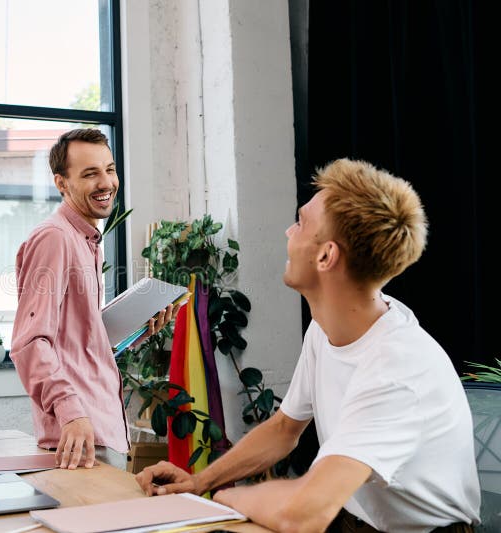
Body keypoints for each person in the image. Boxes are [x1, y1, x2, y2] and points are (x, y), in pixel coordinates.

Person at [135, 158, 480, 532]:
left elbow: (304, 514)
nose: (288, 232)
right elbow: (285, 428)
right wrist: (200, 482)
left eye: (300, 223)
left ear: (326, 255)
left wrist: (228, 497)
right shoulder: (328, 327)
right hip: (356, 521)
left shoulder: (396, 368)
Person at [11, 128, 176, 471]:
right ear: (62, 183)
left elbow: (77, 343)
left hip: (100, 431)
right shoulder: (55, 239)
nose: (106, 183)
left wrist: (138, 329)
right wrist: (71, 412)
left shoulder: (85, 240)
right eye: (90, 174)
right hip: (81, 435)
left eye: (109, 169)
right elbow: (29, 342)